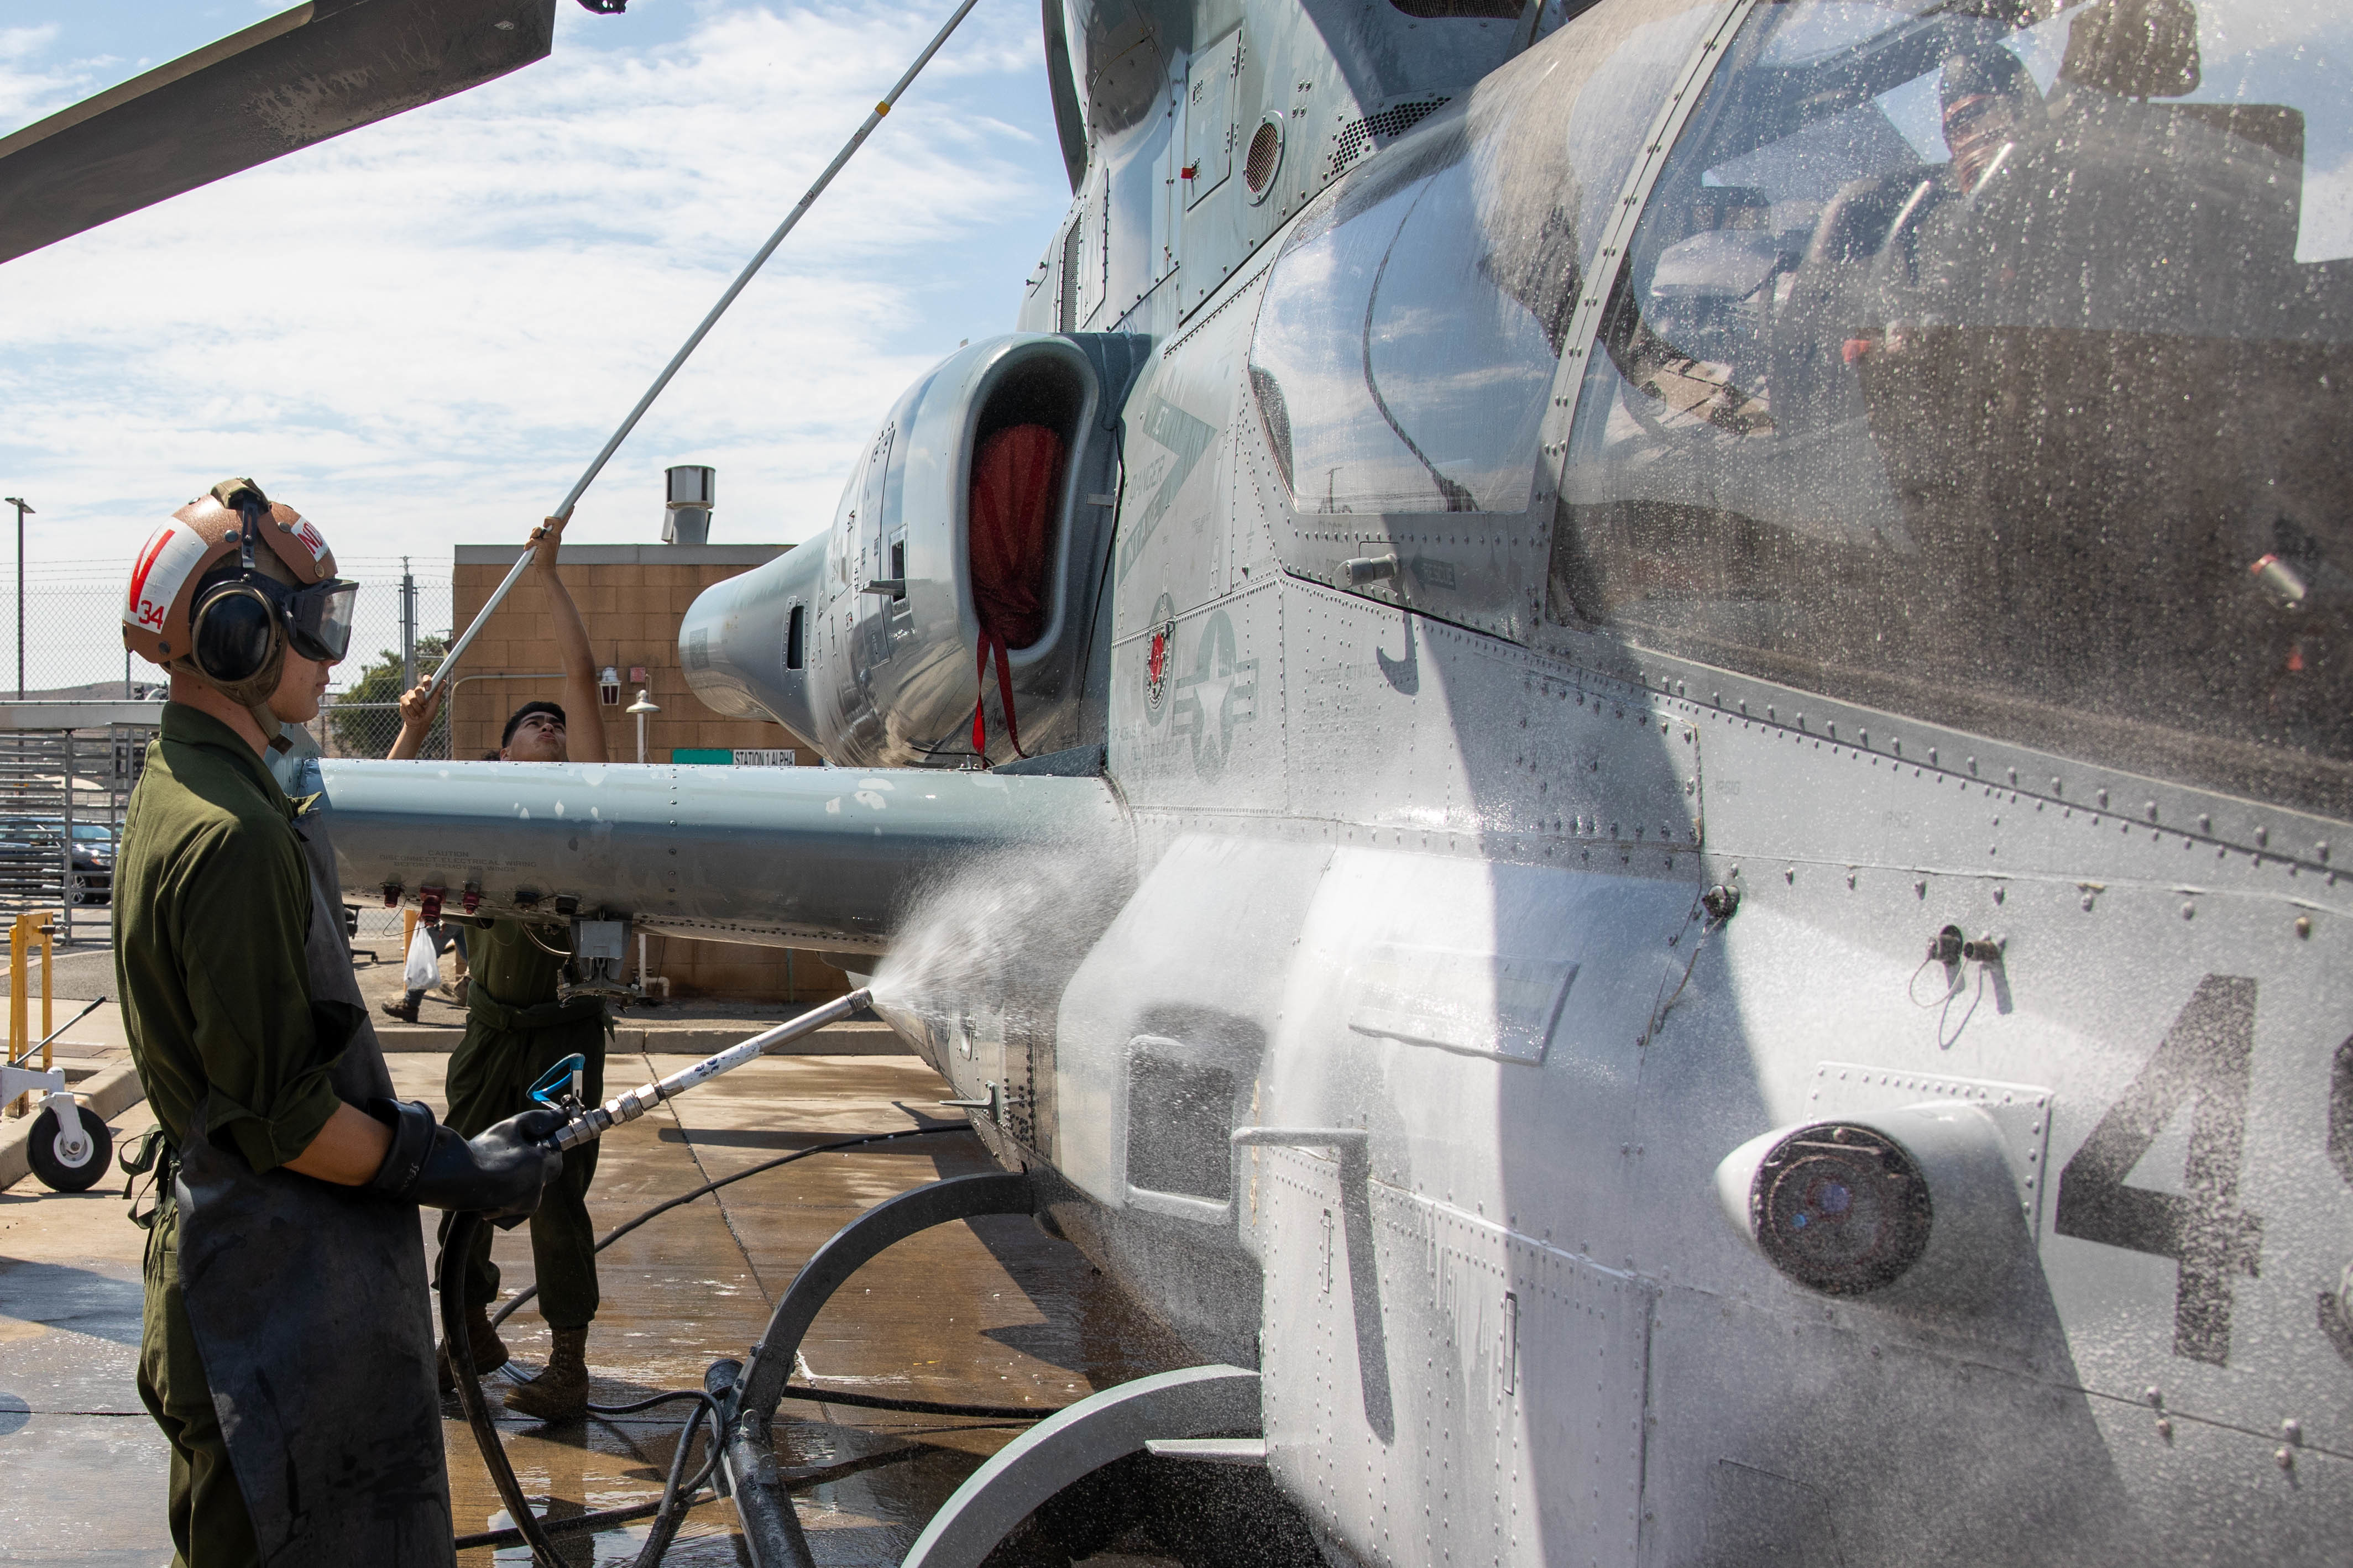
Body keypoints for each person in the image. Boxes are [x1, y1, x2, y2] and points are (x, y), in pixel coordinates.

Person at [114, 478, 566, 1567]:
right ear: (235, 634)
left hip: (247, 1269)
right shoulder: (229, 837)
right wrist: (455, 1166)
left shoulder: (198, 786)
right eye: (315, 623)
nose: (329, 652)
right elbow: (288, 1120)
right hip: (257, 1296)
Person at [390, 511, 613, 1420]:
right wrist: (413, 727)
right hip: (489, 1033)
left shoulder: (587, 812)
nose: (553, 726)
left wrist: (549, 577)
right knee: (464, 1182)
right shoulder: (469, 819)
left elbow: (582, 686)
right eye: (534, 723)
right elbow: (386, 803)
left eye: (559, 725)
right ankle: (467, 1330)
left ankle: (568, 1362)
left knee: (560, 1197)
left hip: (563, 1034)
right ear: (499, 753)